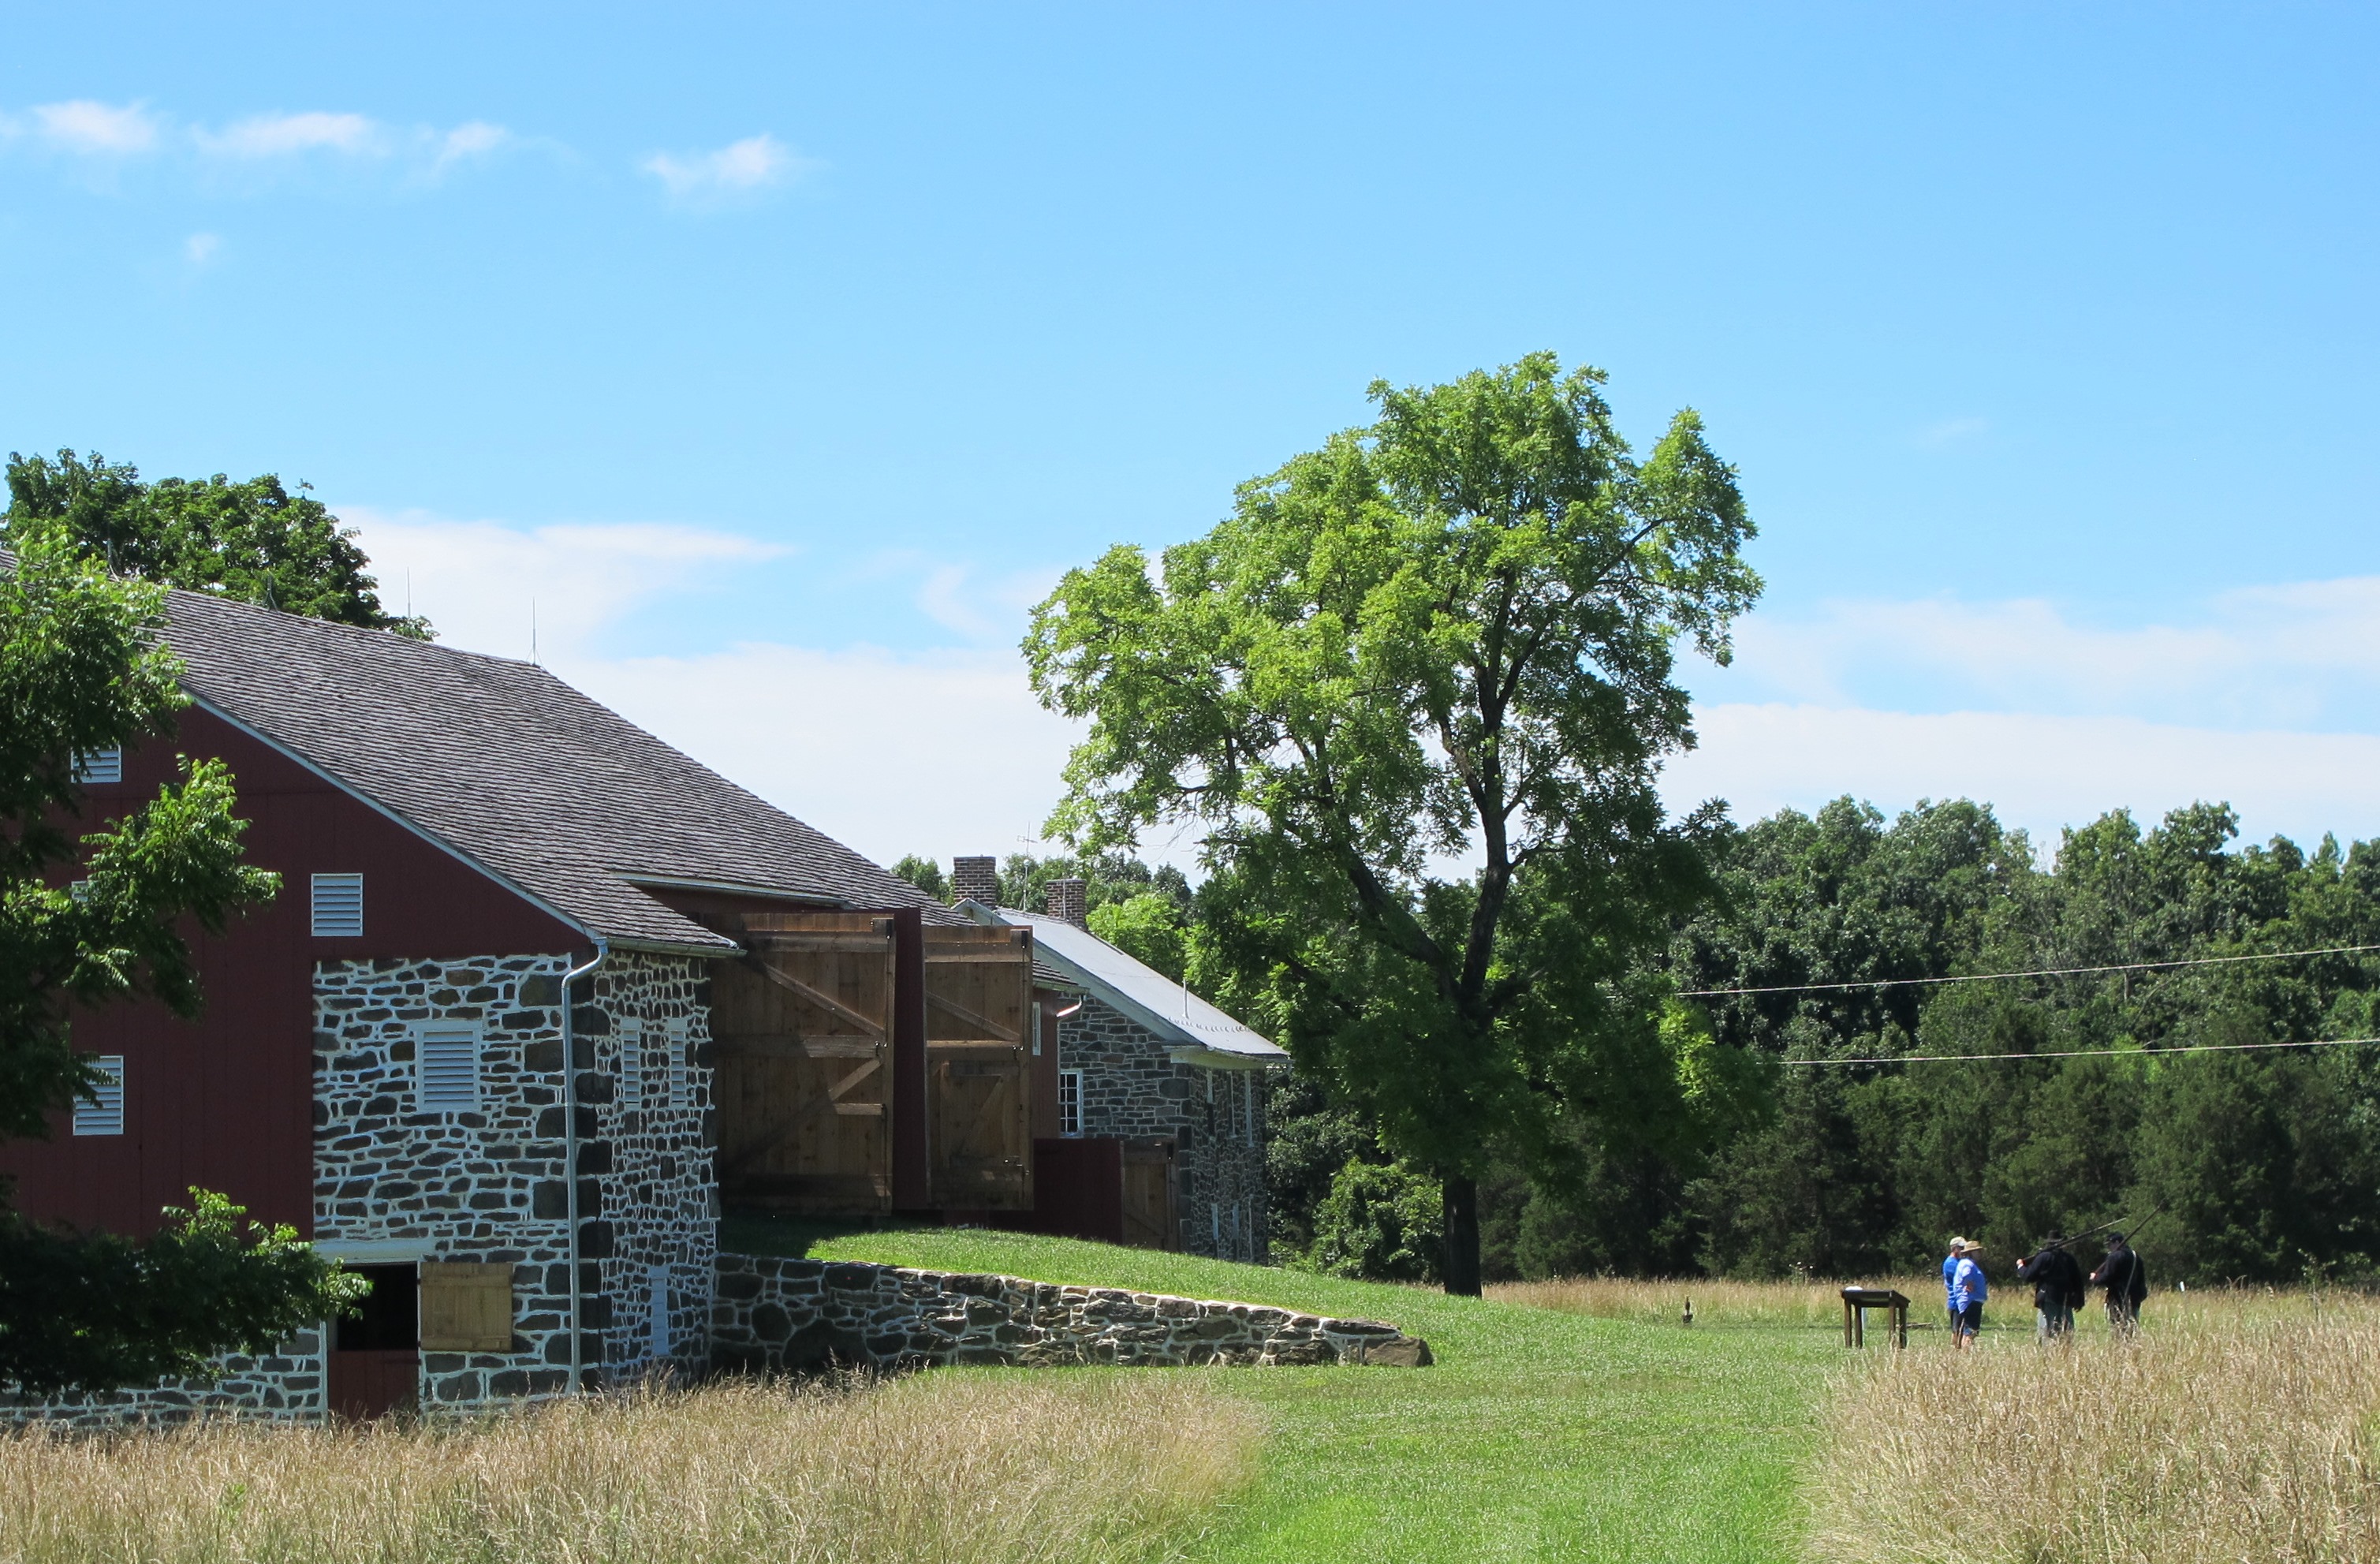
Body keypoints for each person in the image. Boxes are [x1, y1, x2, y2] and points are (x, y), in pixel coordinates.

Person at [2014, 1237, 2087, 1341]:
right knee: (2065, 1335)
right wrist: (2080, 1301)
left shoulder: (2043, 1257)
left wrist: (2020, 1266)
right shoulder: (2070, 1259)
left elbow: (2029, 1276)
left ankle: (2050, 1355)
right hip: (2066, 1301)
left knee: (2048, 1334)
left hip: (2048, 1300)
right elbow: (2078, 1282)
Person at [2091, 1232, 2148, 1334]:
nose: (2109, 1247)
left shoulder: (2114, 1257)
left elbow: (2108, 1277)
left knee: (2118, 1329)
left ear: (2117, 1242)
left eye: (2110, 1244)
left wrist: (2096, 1278)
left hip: (2117, 1298)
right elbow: (2141, 1279)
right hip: (2134, 1298)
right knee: (2132, 1328)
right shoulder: (2135, 1256)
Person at [1943, 1237, 1986, 1348]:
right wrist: (1969, 1283)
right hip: (1963, 1301)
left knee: (1963, 1331)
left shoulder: (1962, 1262)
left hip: (1964, 1301)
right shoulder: (1956, 1263)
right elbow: (1966, 1274)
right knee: (1964, 1331)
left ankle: (1960, 1352)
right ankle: (1961, 1353)